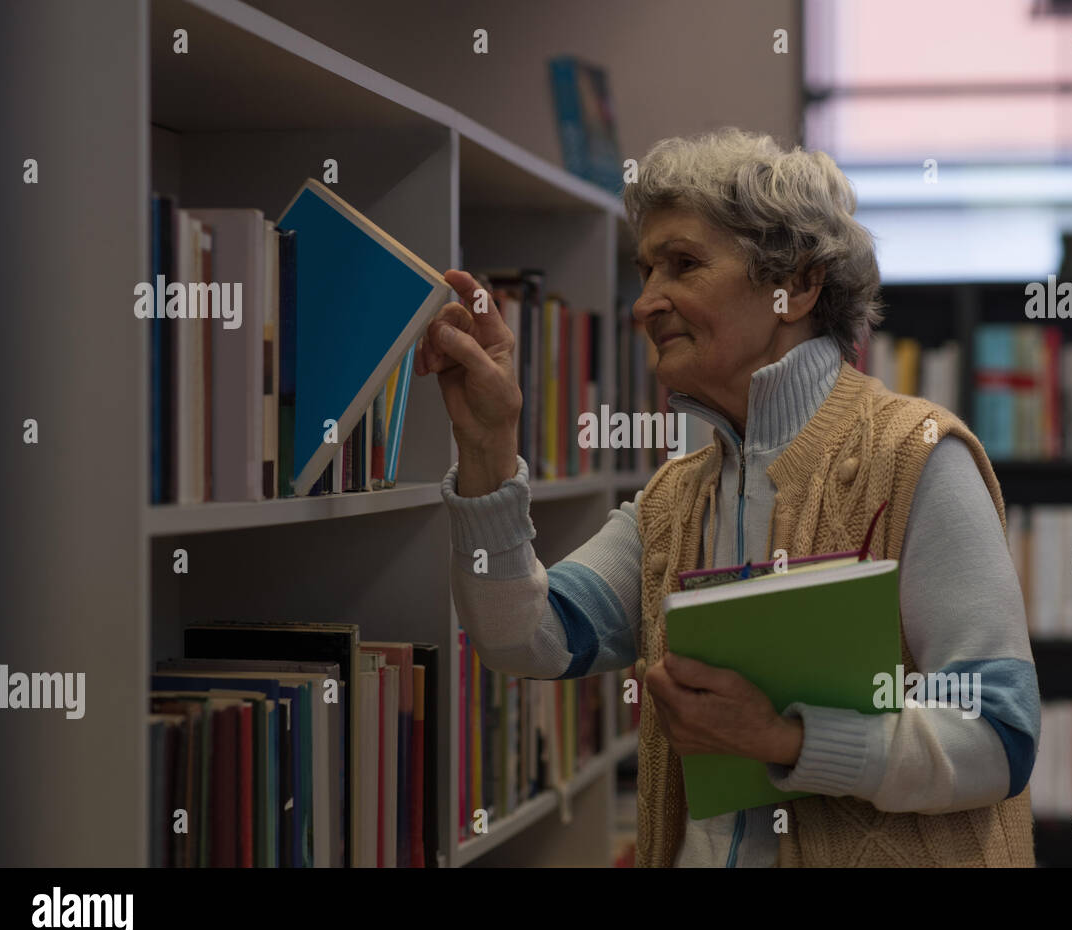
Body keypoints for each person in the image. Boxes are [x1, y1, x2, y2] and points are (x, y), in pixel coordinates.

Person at [415, 128, 1039, 867]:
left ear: (797, 286)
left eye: (682, 264)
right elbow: (526, 635)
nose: (645, 303)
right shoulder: (673, 497)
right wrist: (489, 449)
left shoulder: (920, 456)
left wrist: (789, 740)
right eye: (645, 270)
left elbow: (999, 735)